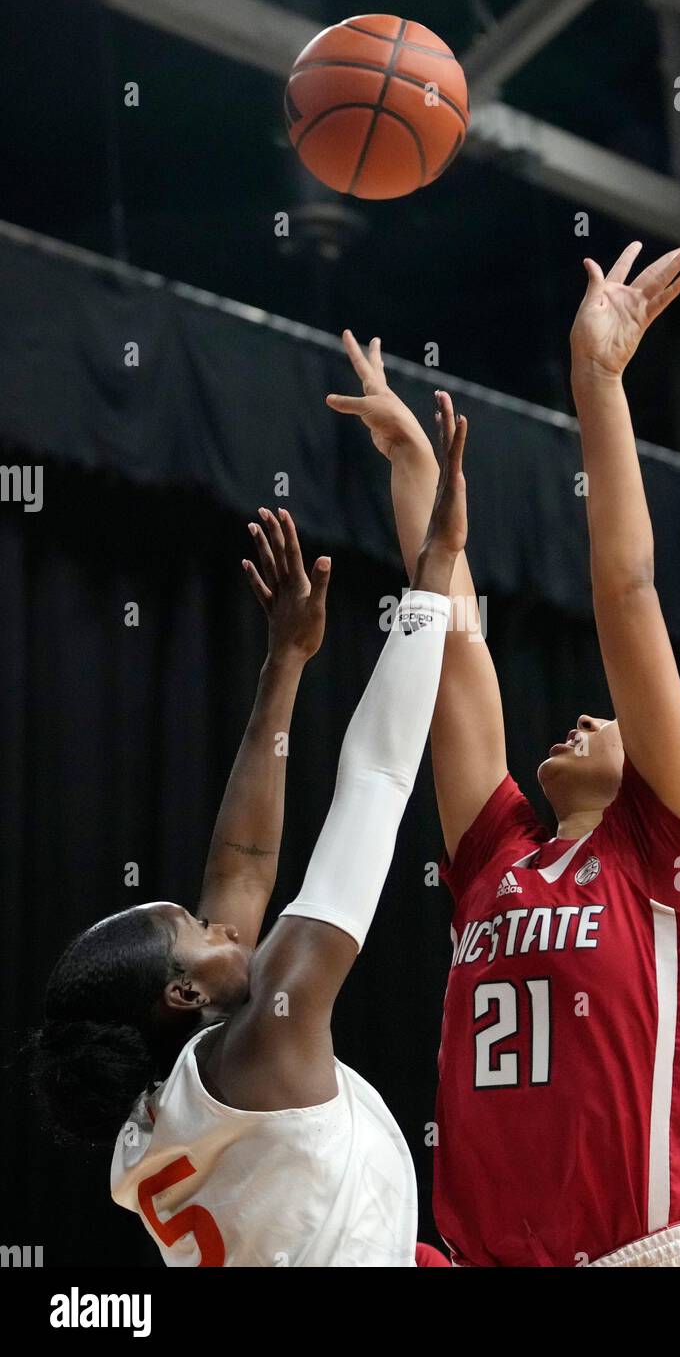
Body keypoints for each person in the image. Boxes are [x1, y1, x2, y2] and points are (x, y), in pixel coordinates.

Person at [326, 241, 680, 1268]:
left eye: (612, 720)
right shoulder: (499, 860)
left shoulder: (664, 848)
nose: (584, 716)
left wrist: (598, 386)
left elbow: (624, 594)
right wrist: (414, 477)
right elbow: (456, 656)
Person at [29, 409, 468, 1267]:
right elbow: (374, 787)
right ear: (183, 994)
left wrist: (286, 662)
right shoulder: (269, 1033)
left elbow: (243, 863)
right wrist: (436, 572)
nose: (220, 923)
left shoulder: (165, 1106)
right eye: (197, 931)